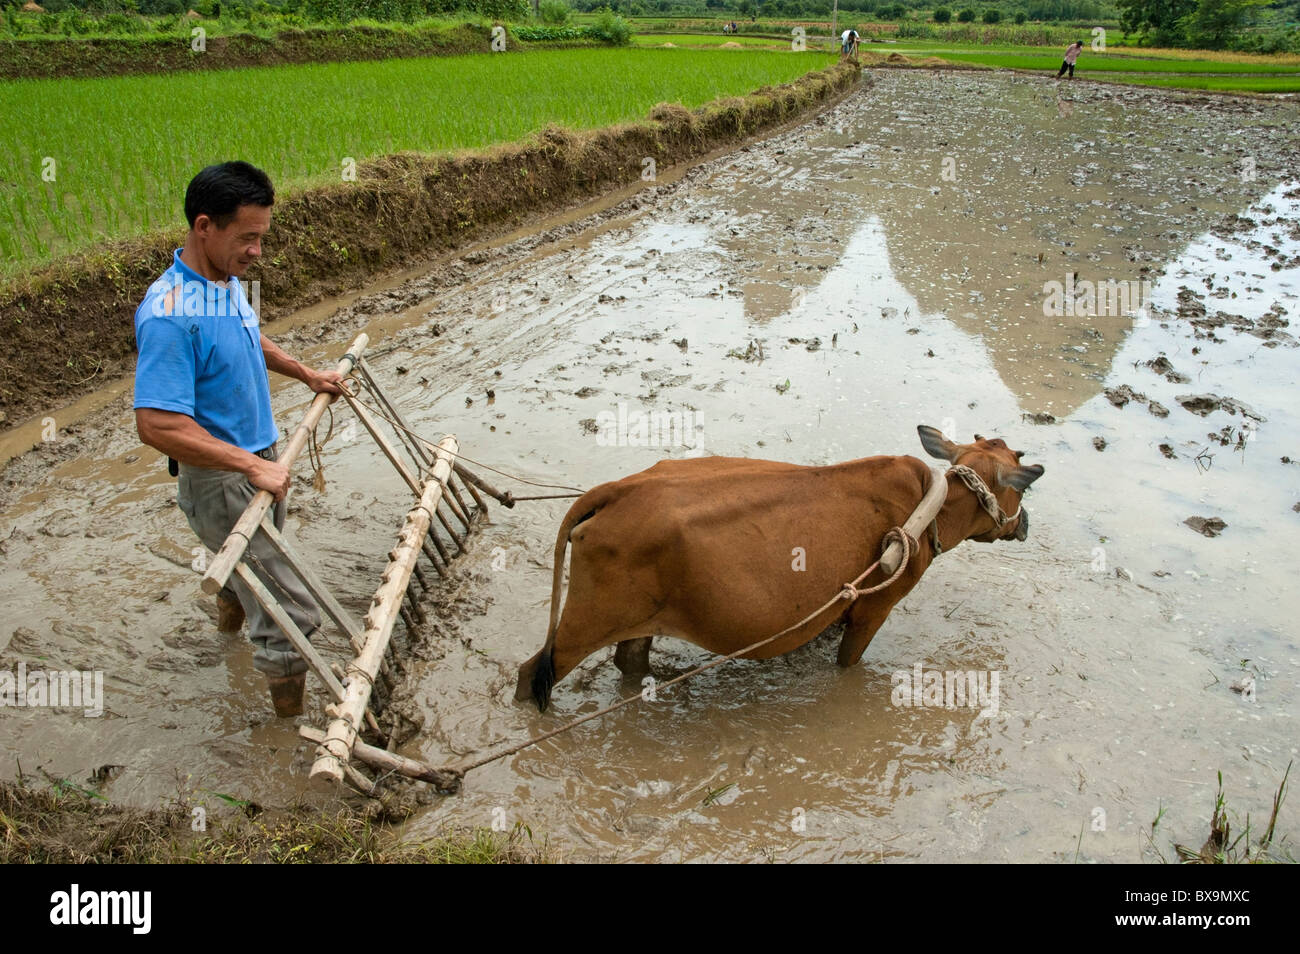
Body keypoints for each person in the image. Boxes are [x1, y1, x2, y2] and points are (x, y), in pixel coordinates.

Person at [133, 161, 344, 718]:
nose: (257, 251)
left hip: (259, 462)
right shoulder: (170, 315)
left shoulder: (221, 285)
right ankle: (285, 738)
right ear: (205, 226)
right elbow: (156, 424)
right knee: (288, 611)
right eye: (246, 237)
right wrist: (249, 467)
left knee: (243, 577)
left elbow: (251, 340)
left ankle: (228, 634)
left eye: (261, 238)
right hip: (226, 478)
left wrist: (307, 374)